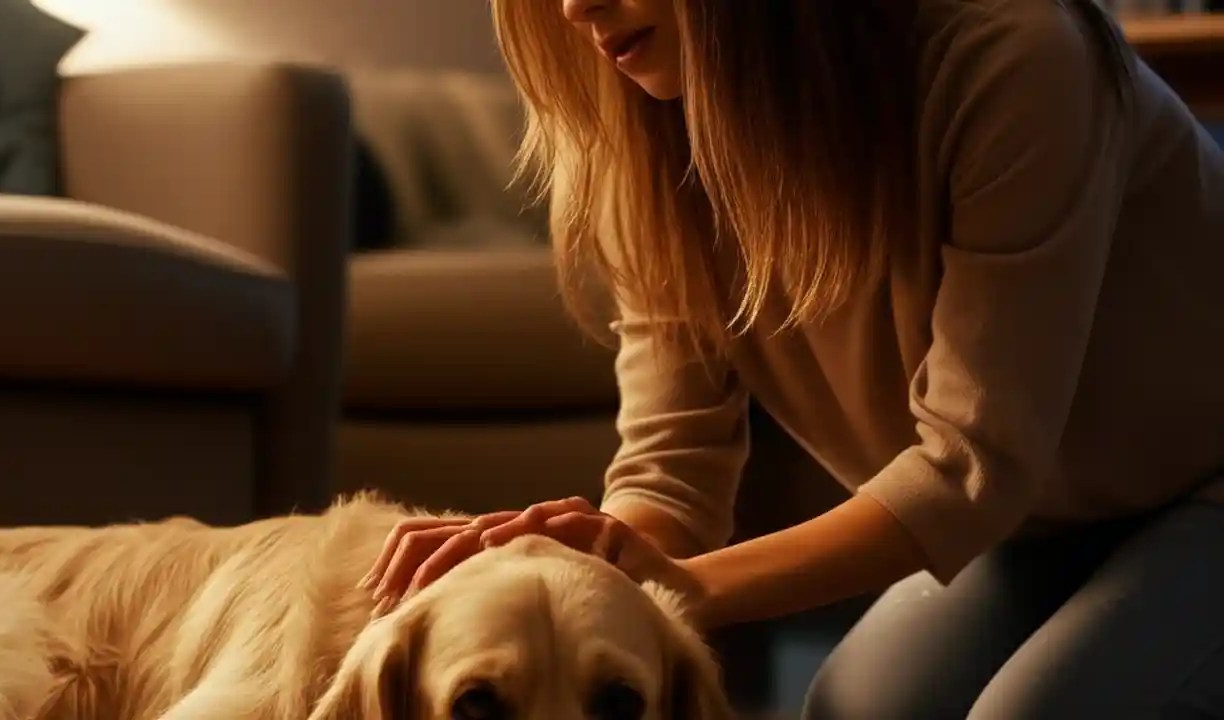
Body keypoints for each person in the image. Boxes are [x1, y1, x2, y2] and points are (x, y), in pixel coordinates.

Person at [361, 0, 1224, 716]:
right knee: (852, 706)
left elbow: (970, 466)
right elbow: (671, 473)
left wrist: (677, 591)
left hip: (1200, 488)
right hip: (1036, 526)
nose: (575, 7)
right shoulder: (648, 134)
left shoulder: (1017, 52)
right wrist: (582, 569)